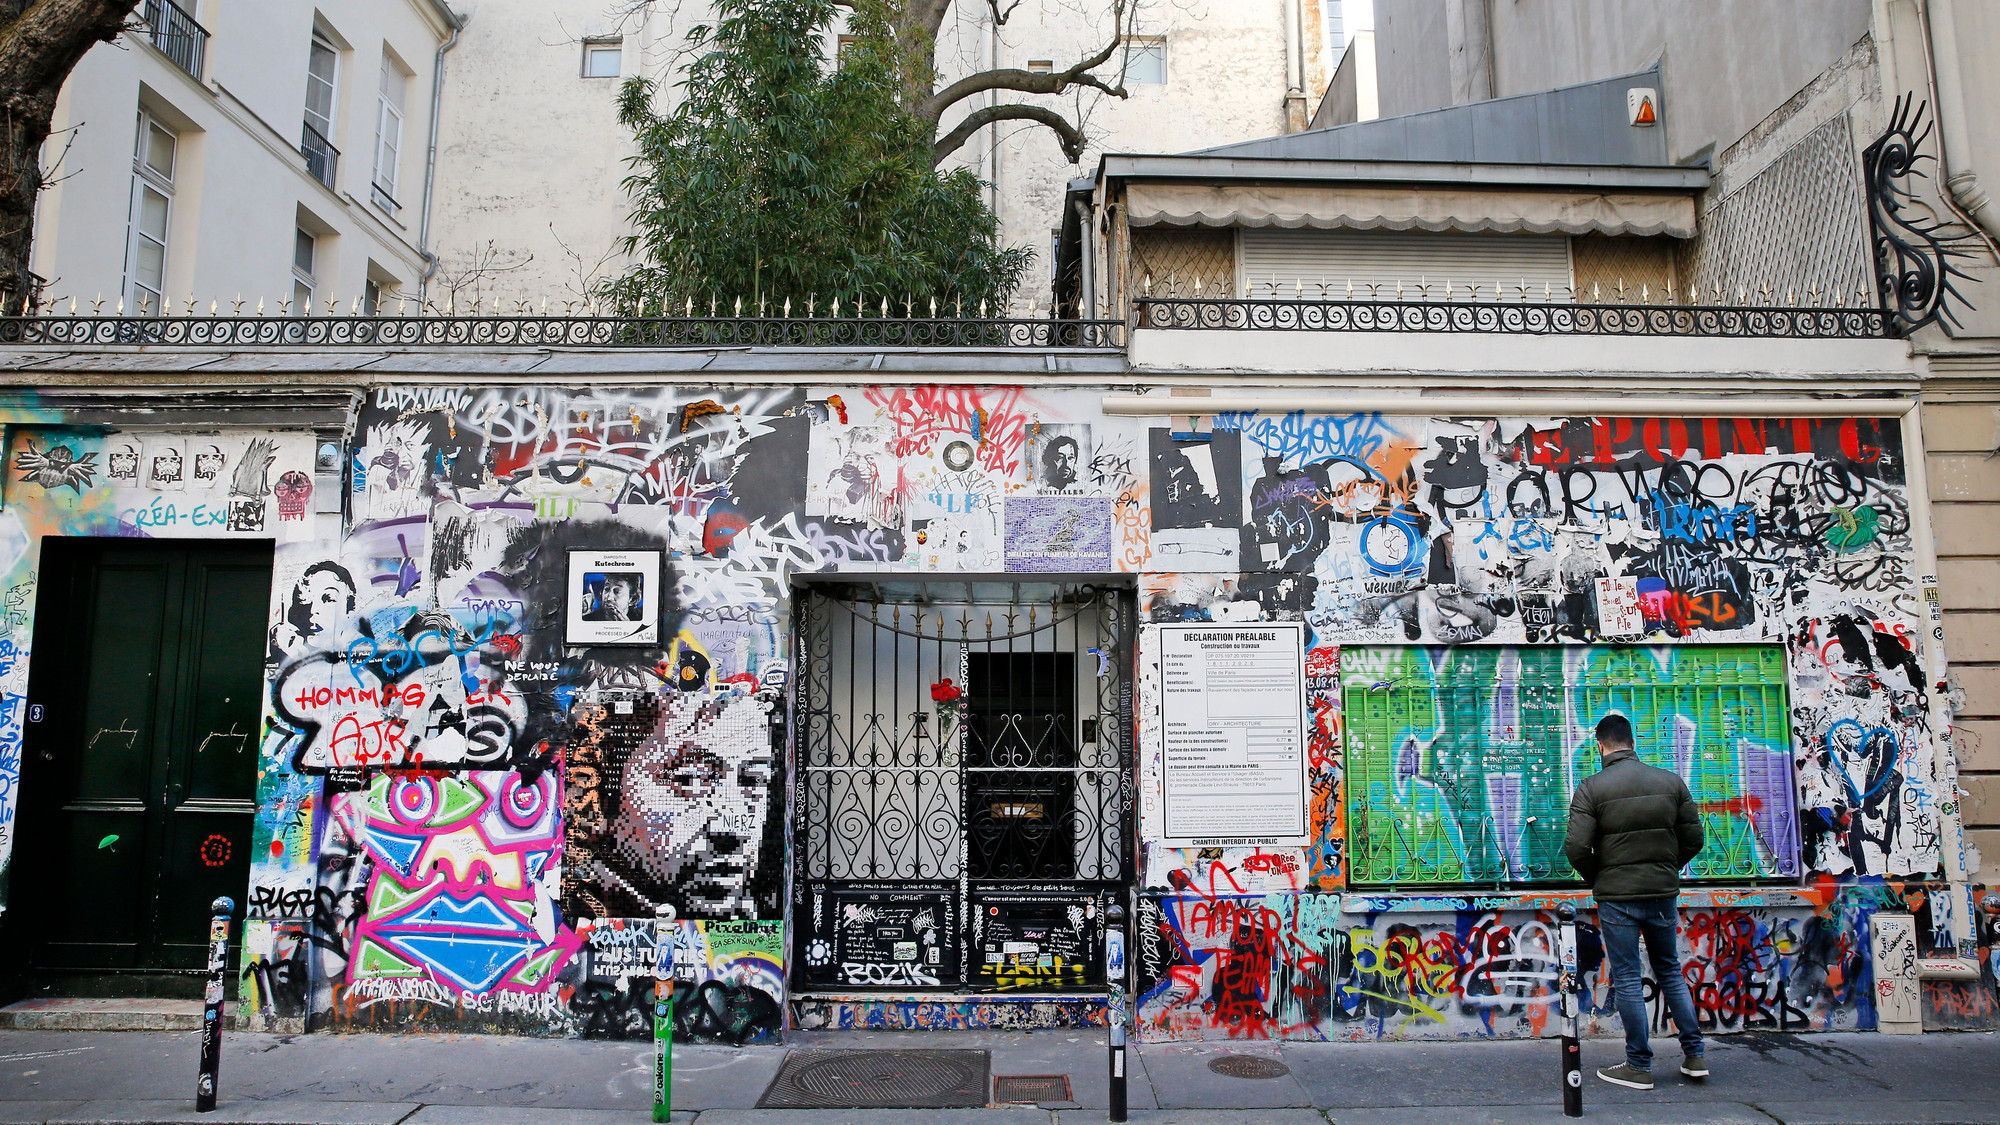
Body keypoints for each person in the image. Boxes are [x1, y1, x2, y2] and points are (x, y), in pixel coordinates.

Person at [1562, 712, 1707, 1090]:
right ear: (1633, 743)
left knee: (1627, 977)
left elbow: (1576, 846)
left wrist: (1600, 877)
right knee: (1670, 970)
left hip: (1618, 897)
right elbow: (1695, 840)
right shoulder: (1670, 782)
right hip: (1661, 894)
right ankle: (1694, 1056)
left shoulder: (1592, 788)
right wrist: (1665, 868)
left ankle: (1639, 1066)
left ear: (1600, 746)